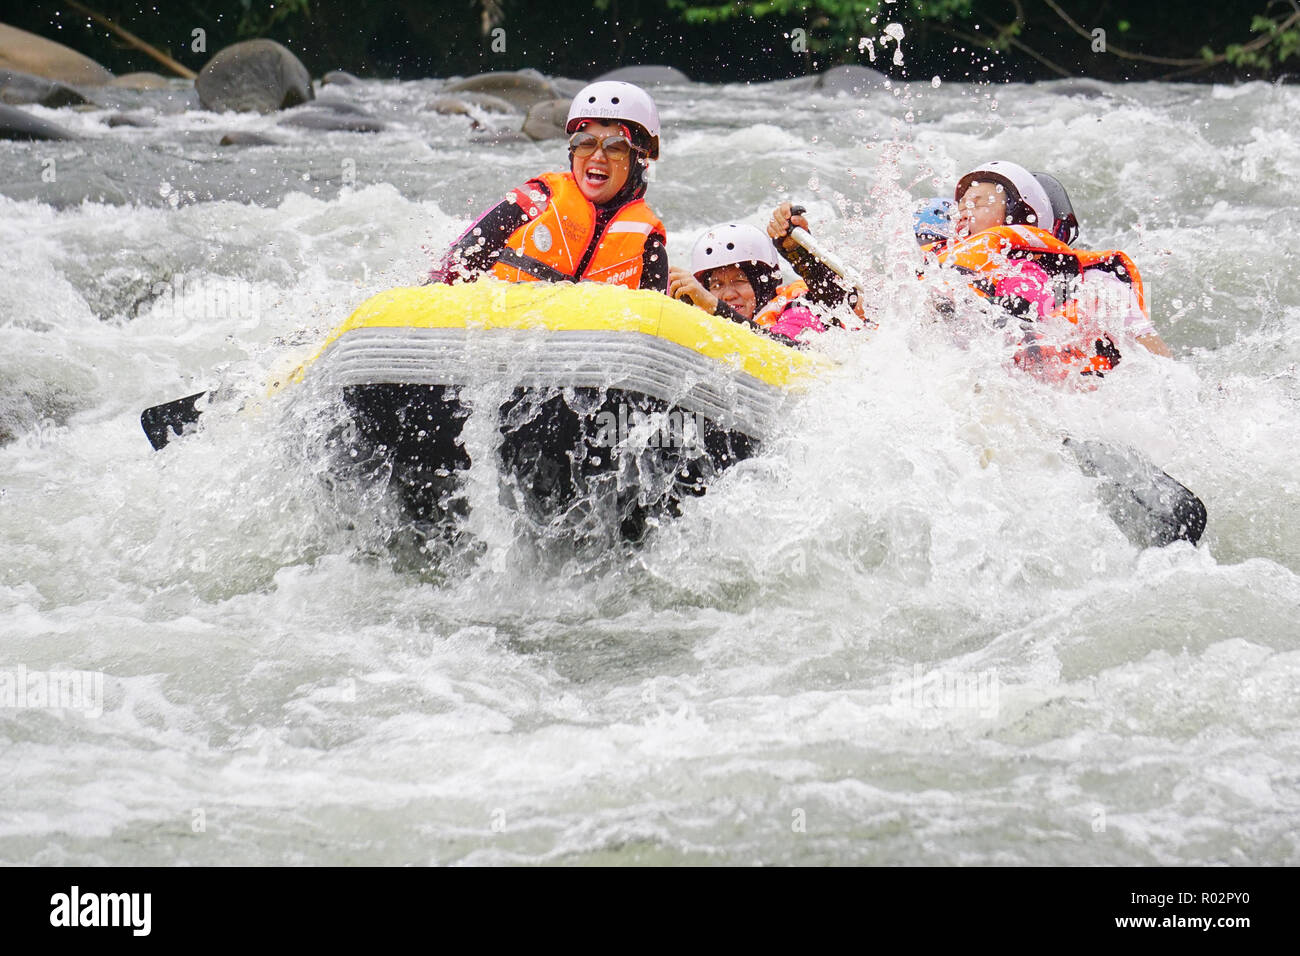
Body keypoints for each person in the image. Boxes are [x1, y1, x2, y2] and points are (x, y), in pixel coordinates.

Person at [923, 160, 1167, 380]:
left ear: (1019, 214)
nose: (965, 213)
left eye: (979, 202)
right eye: (962, 205)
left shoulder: (1095, 283)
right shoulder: (950, 276)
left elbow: (1157, 359)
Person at [429, 81, 667, 292]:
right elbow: (456, 264)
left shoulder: (649, 245)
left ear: (639, 160)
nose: (597, 156)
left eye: (615, 147)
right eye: (585, 143)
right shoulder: (534, 201)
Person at [667, 223, 823, 342]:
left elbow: (786, 352)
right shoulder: (704, 317)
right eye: (717, 285)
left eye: (739, 281)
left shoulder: (799, 308)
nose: (728, 295)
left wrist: (716, 306)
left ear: (764, 284)